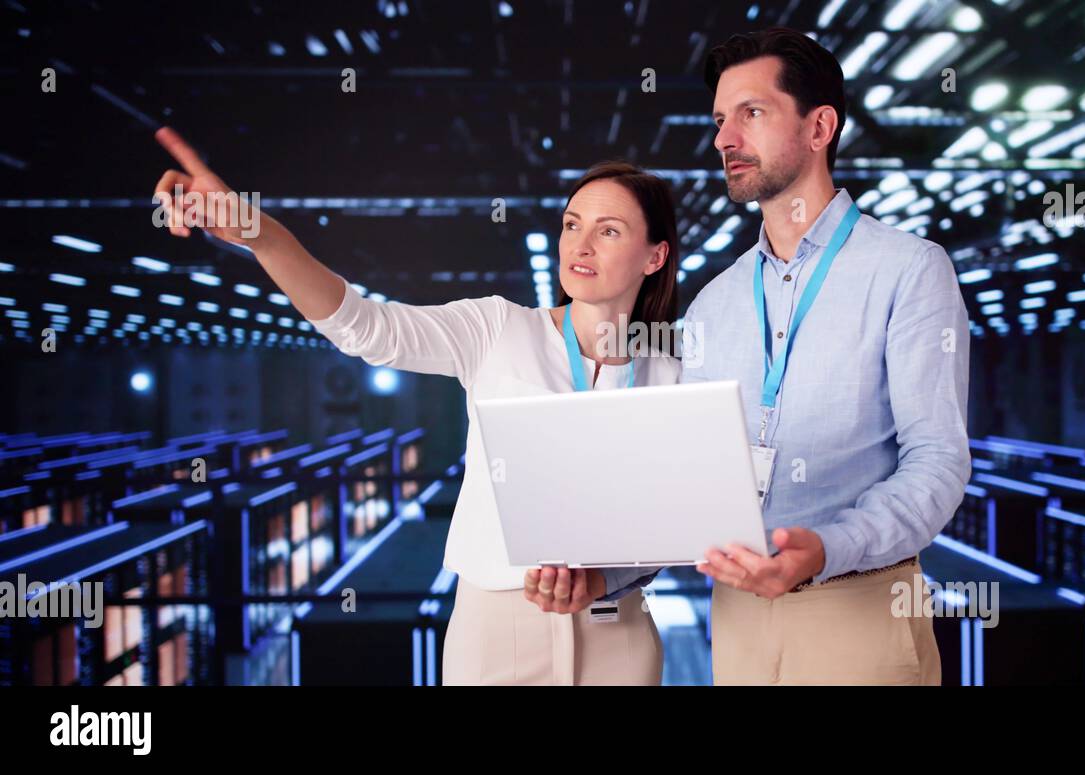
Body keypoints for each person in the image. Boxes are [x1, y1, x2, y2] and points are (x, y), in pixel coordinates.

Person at [151, 128, 680, 685]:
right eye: (572, 225)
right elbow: (366, 329)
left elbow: (679, 520)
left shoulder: (671, 370)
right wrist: (263, 236)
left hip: (619, 631)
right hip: (500, 629)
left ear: (654, 256)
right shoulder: (497, 328)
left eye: (609, 230)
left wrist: (607, 576)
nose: (581, 245)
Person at [683, 27, 972, 685]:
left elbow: (939, 459)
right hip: (735, 620)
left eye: (751, 113)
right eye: (721, 120)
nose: (726, 138)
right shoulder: (713, 304)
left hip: (858, 612)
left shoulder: (909, 270)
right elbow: (689, 477)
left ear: (819, 128)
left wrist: (828, 547)